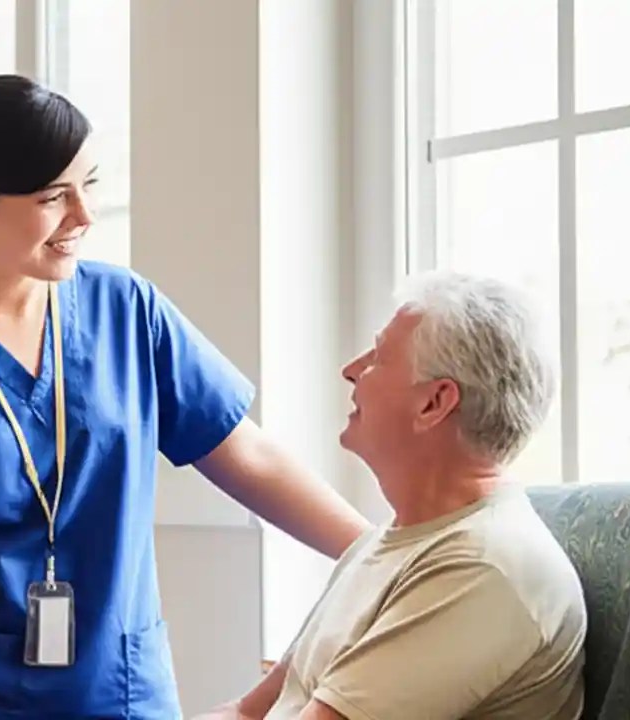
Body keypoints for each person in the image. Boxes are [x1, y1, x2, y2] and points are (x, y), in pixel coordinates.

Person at [0, 74, 369, 719]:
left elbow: (250, 458)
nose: (84, 215)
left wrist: (382, 551)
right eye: (53, 196)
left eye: (89, 185)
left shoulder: (128, 310)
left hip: (117, 693)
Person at [198, 272, 587, 720]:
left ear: (434, 403)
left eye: (378, 357)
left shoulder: (484, 568)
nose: (351, 371)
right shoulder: (383, 542)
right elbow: (249, 712)